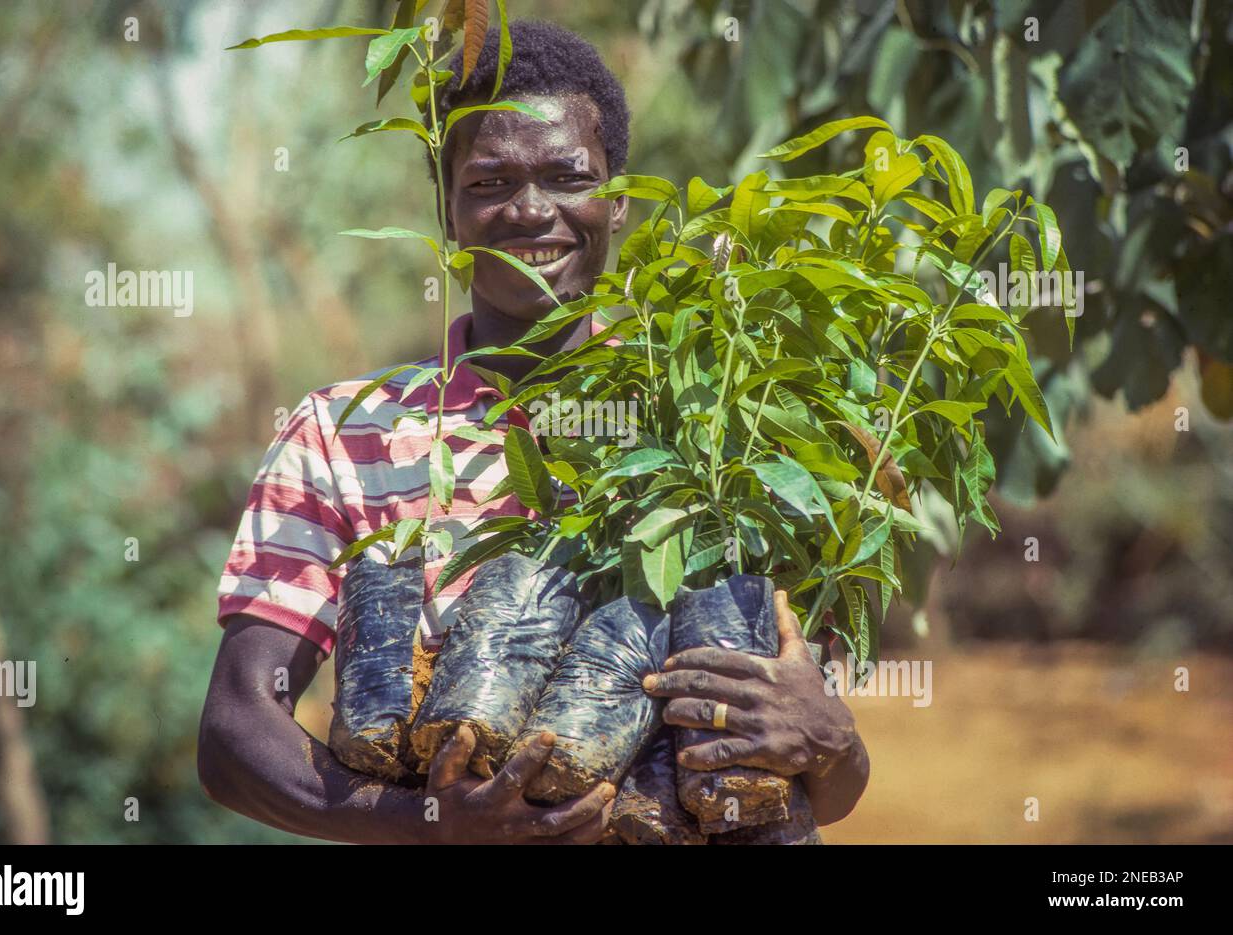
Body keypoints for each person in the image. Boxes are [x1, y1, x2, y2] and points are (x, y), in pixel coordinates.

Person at [198, 20, 869, 844]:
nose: (529, 210)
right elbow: (234, 731)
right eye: (489, 183)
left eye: (566, 177)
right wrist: (432, 820)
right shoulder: (345, 433)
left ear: (617, 204)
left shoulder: (717, 432)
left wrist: (833, 740)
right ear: (447, 212)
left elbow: (817, 776)